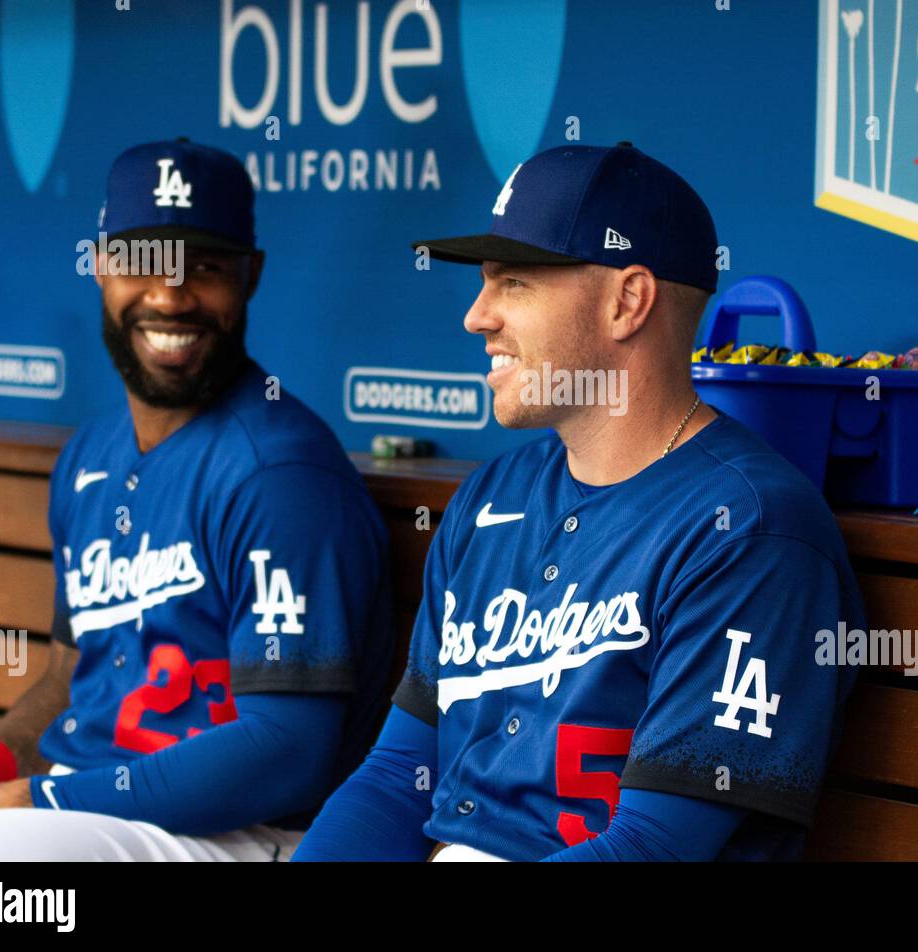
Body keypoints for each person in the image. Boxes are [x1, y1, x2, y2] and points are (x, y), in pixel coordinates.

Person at [295, 142, 865, 862]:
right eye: (483, 283)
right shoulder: (489, 500)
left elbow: (654, 848)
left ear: (627, 301)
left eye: (515, 284)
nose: (477, 316)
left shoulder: (750, 532)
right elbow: (395, 779)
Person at [0, 139, 393, 861]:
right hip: (82, 806)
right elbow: (66, 674)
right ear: (103, 266)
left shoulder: (280, 474)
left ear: (250, 277)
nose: (171, 297)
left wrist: (24, 798)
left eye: (203, 267)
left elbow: (288, 749)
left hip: (235, 833)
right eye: (145, 263)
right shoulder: (88, 457)